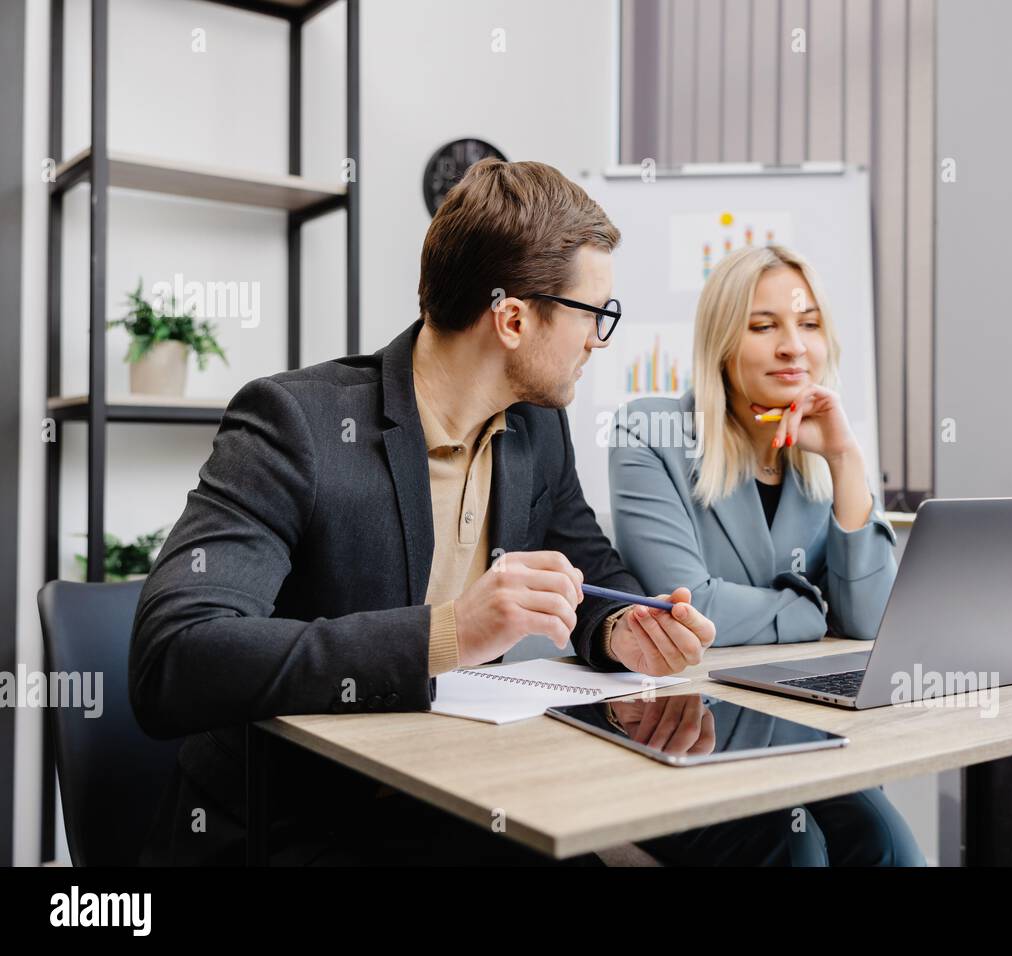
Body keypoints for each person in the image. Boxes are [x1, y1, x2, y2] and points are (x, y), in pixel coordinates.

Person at [130, 158, 716, 866]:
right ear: (512, 318)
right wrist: (448, 633)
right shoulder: (297, 425)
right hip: (294, 826)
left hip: (463, 801)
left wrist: (623, 628)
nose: (598, 338)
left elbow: (588, 571)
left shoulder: (534, 429)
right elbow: (174, 659)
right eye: (594, 315)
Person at [609, 243, 925, 866]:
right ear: (723, 343)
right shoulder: (648, 433)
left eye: (808, 325)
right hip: (694, 734)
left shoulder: (823, 454)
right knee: (796, 850)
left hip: (803, 733)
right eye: (764, 327)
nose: (793, 346)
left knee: (888, 844)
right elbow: (689, 607)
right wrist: (811, 610)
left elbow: (869, 621)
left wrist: (845, 460)